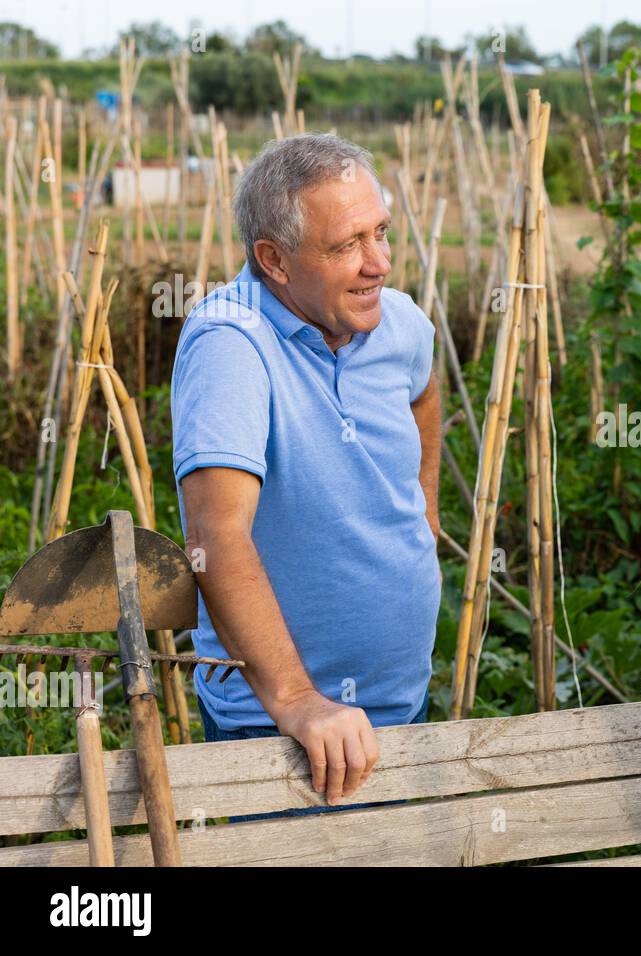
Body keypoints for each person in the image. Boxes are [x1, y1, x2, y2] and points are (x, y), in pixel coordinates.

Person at [171, 133, 442, 817]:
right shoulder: (231, 342)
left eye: (381, 233)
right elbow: (215, 535)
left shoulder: (398, 323)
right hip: (284, 732)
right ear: (274, 260)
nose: (378, 263)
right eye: (346, 245)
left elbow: (424, 391)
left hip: (398, 707)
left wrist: (425, 511)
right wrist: (296, 700)